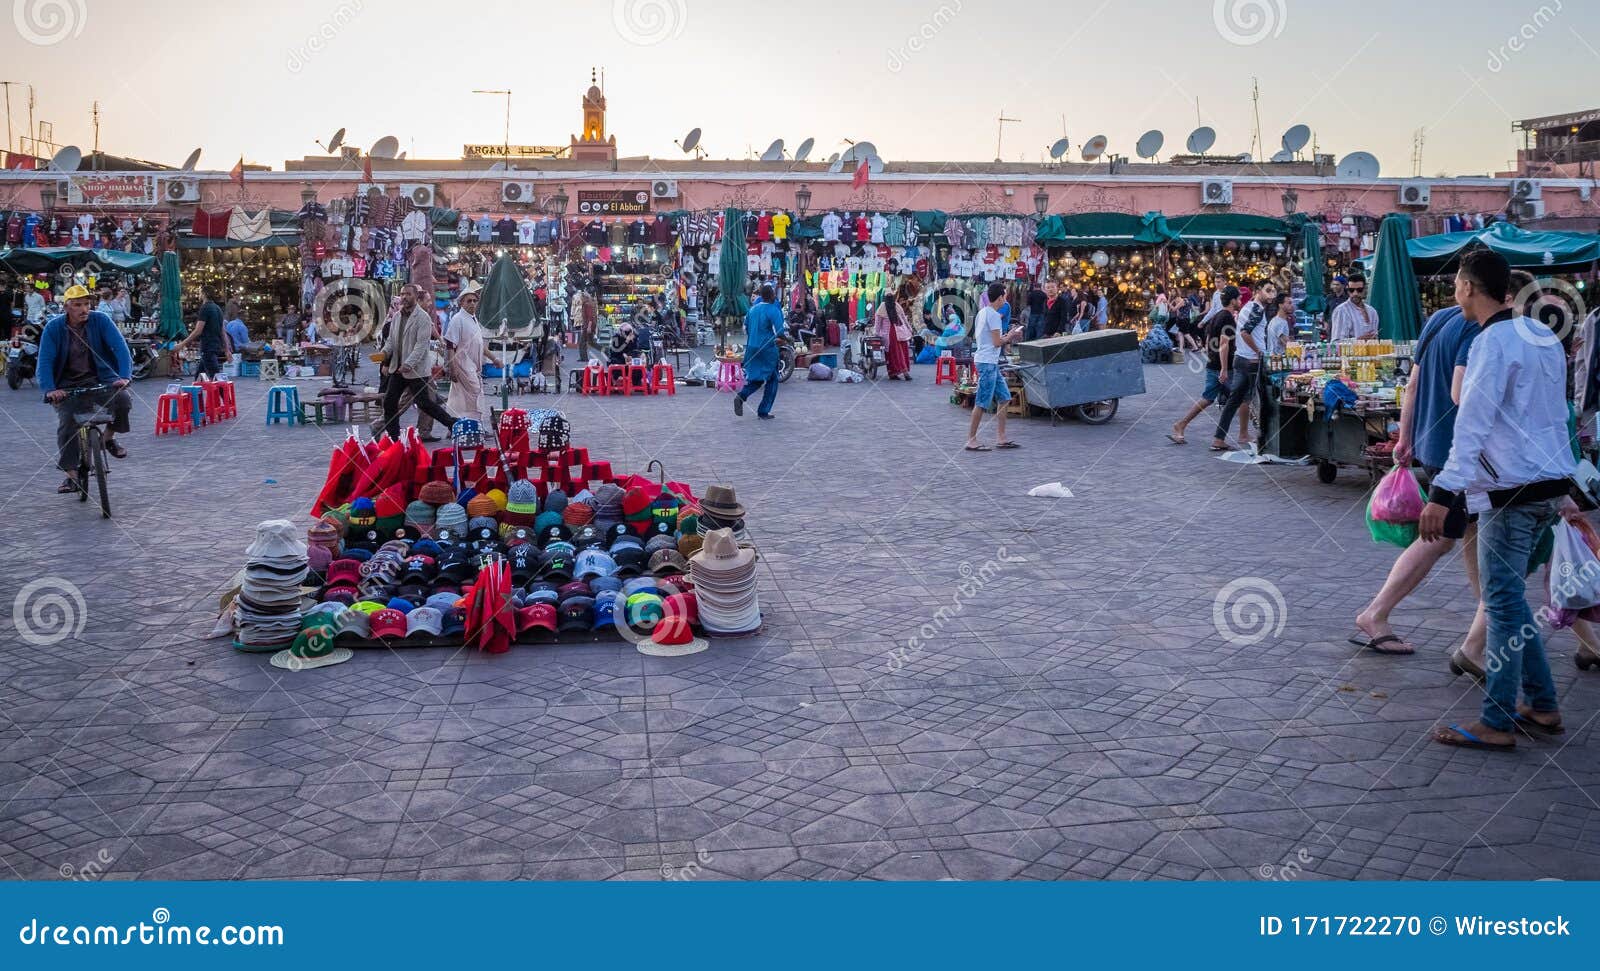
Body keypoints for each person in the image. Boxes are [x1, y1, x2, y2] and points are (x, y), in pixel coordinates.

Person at [1421, 249, 1575, 751]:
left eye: (1458, 286)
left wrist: (1445, 491)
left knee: (1504, 603)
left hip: (1512, 489)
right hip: (1547, 482)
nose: (1456, 295)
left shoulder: (1491, 342)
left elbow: (1473, 422)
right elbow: (1556, 415)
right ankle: (1543, 704)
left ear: (1468, 287)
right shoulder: (1543, 336)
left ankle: (1498, 718)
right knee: (1510, 600)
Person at [1353, 298, 1482, 657]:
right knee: (1440, 537)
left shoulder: (1440, 319)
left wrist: (1405, 438)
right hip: (1456, 452)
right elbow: (1464, 395)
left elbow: (1412, 385)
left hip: (1432, 444)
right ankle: (1376, 613)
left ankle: (1485, 625)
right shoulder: (1475, 327)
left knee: (1470, 530)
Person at [37, 285, 133, 495]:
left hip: (101, 381)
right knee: (67, 424)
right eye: (77, 305)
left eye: (87, 304)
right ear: (67, 307)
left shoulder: (101, 320)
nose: (84, 309)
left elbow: (120, 347)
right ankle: (71, 476)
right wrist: (51, 389)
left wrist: (124, 376)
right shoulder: (53, 328)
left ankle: (107, 439)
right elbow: (45, 361)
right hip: (67, 387)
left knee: (124, 400)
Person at [380, 284, 456, 441]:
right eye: (402, 294)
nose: (404, 297)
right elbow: (391, 341)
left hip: (414, 370)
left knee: (424, 403)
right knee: (389, 402)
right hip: (397, 369)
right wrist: (384, 354)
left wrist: (408, 364)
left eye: (408, 294)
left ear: (415, 297)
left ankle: (452, 423)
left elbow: (421, 346)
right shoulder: (397, 317)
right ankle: (394, 437)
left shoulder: (423, 318)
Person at [1169, 285, 1239, 445]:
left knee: (1207, 399)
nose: (1240, 301)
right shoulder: (1227, 317)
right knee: (1239, 400)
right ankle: (1230, 436)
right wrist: (1223, 368)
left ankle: (1182, 424)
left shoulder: (1217, 316)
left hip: (1212, 364)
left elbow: (1208, 341)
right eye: (1239, 298)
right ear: (1233, 300)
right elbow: (1223, 344)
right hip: (1223, 367)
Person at [1210, 282, 1276, 451]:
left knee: (1236, 400)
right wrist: (1259, 352)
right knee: (1259, 400)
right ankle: (1264, 439)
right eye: (1268, 290)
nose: (1271, 294)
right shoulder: (1256, 310)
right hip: (1252, 361)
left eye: (1273, 291)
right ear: (1257, 292)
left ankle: (1220, 437)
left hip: (1240, 359)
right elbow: (1245, 332)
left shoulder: (1248, 307)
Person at [965, 282, 1027, 451]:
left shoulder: (983, 312)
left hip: (988, 360)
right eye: (1005, 296)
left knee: (1005, 397)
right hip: (987, 362)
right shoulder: (993, 315)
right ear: (1000, 298)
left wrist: (1008, 335)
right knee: (982, 402)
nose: (1006, 299)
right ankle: (971, 439)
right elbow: (997, 342)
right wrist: (1011, 336)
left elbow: (990, 339)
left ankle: (1001, 437)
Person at [732, 284, 788, 420]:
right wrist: (786, 340)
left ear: (761, 296)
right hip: (767, 348)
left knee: (756, 377)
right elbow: (780, 332)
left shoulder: (752, 310)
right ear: (773, 295)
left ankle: (742, 396)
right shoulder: (773, 310)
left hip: (751, 348)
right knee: (772, 378)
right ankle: (763, 410)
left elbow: (746, 328)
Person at [443, 283, 487, 422]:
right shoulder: (458, 319)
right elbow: (450, 345)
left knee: (458, 398)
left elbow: (478, 343)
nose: (472, 304)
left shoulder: (473, 319)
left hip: (472, 365)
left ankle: (455, 424)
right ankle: (473, 425)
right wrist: (452, 367)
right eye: (469, 301)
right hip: (462, 364)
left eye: (475, 301)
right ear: (461, 303)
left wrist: (494, 359)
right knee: (474, 394)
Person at [177, 284, 230, 380]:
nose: (199, 294)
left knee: (216, 378)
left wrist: (182, 344)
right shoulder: (218, 309)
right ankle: (195, 393)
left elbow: (198, 330)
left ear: (205, 294)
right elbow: (223, 332)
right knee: (199, 377)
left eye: (200, 292)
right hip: (215, 346)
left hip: (207, 346)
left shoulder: (205, 308)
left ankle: (225, 395)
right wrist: (227, 349)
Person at [875, 279, 918, 380]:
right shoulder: (897, 306)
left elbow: (878, 324)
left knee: (893, 354)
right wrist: (910, 329)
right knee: (902, 353)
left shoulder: (881, 307)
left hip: (889, 335)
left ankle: (894, 373)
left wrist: (876, 333)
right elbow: (904, 319)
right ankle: (904, 372)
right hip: (901, 333)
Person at [1328, 275, 1378, 341]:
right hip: (1351, 351)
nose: (1355, 293)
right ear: (1347, 290)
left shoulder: (1372, 311)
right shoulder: (1341, 311)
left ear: (1365, 289)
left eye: (1359, 290)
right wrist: (1359, 340)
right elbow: (1336, 343)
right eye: (1351, 290)